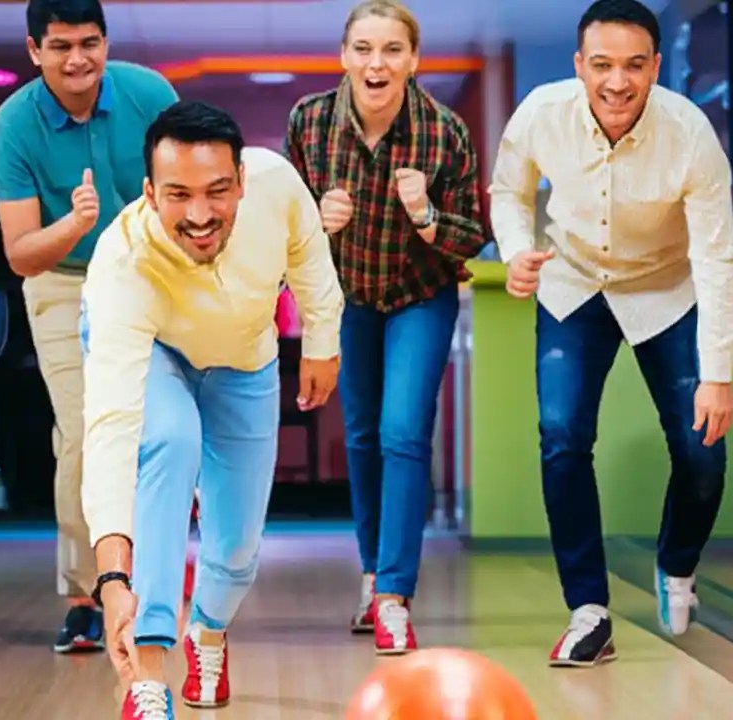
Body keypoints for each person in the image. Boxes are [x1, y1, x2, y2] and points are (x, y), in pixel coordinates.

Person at [488, 0, 733, 667]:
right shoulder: (541, 112)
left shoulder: (690, 135)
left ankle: (678, 565)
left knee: (702, 451)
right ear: (579, 66)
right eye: (601, 65)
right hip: (573, 289)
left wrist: (717, 374)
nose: (618, 82)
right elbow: (508, 191)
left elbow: (716, 260)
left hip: (666, 292)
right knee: (563, 436)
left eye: (634, 65)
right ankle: (588, 609)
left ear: (657, 65)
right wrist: (516, 250)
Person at [80, 100, 344, 719]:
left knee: (237, 547)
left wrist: (322, 343)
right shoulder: (123, 266)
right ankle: (148, 672)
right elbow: (113, 430)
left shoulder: (276, 183)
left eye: (217, 191)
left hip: (244, 357)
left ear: (242, 181)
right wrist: (113, 580)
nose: (200, 215)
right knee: (168, 441)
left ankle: (209, 631)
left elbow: (310, 260)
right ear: (149, 192)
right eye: (178, 195)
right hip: (158, 354)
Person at [283, 0, 487, 656]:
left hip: (420, 297)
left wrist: (427, 215)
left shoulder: (443, 133)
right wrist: (317, 218)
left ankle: (395, 594)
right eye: (364, 48)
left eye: (392, 50)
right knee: (365, 438)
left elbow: (472, 237)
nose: (377, 63)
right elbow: (278, 228)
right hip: (347, 300)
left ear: (413, 60)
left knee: (404, 433)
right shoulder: (309, 124)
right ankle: (372, 577)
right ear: (344, 56)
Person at [0, 0, 178, 653]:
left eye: (90, 43)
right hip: (61, 279)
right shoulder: (14, 123)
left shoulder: (149, 93)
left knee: (157, 428)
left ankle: (151, 577)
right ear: (34, 50)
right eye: (61, 45)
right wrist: (73, 223)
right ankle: (85, 593)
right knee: (84, 434)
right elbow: (19, 252)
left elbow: (186, 187)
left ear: (106, 42)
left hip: (147, 277)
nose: (78, 59)